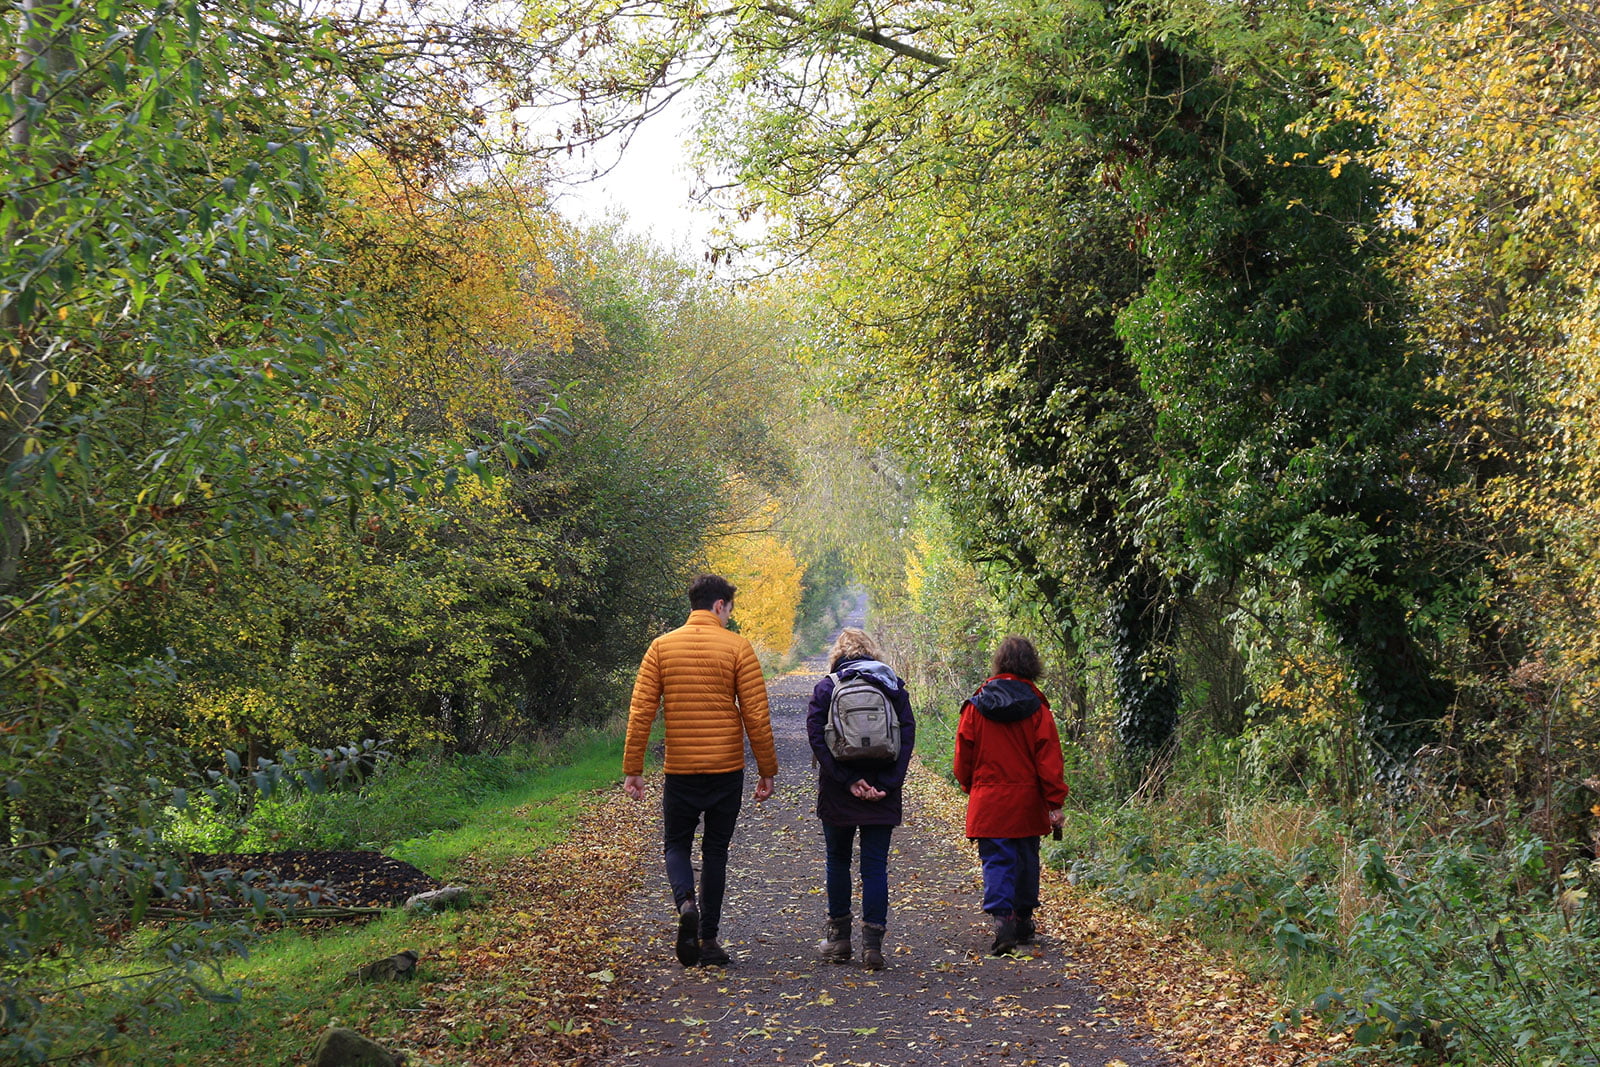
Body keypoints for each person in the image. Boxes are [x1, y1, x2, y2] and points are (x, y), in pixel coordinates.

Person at [622, 574, 778, 967]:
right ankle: (708, 940)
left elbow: (641, 712)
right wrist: (766, 770)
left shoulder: (661, 647)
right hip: (726, 769)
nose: (728, 617)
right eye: (729, 610)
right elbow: (756, 716)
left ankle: (685, 903)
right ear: (720, 605)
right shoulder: (738, 647)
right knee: (715, 852)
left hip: (681, 770)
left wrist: (634, 769)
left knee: (675, 843)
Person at [805, 628, 915, 971]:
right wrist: (887, 783)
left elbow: (815, 735)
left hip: (840, 790)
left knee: (837, 861)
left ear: (838, 654)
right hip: (883, 789)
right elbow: (908, 734)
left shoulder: (828, 686)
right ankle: (872, 947)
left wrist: (848, 780)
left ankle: (838, 941)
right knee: (874, 866)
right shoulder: (892, 685)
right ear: (872, 652)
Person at [953, 635, 1068, 955]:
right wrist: (1054, 801)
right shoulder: (1038, 708)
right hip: (1027, 801)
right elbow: (1049, 759)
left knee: (996, 861)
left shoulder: (975, 706)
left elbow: (963, 756)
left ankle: (1003, 922)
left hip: (989, 800)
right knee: (1026, 860)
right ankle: (1023, 921)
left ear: (999, 663)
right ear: (1032, 665)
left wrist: (970, 787)